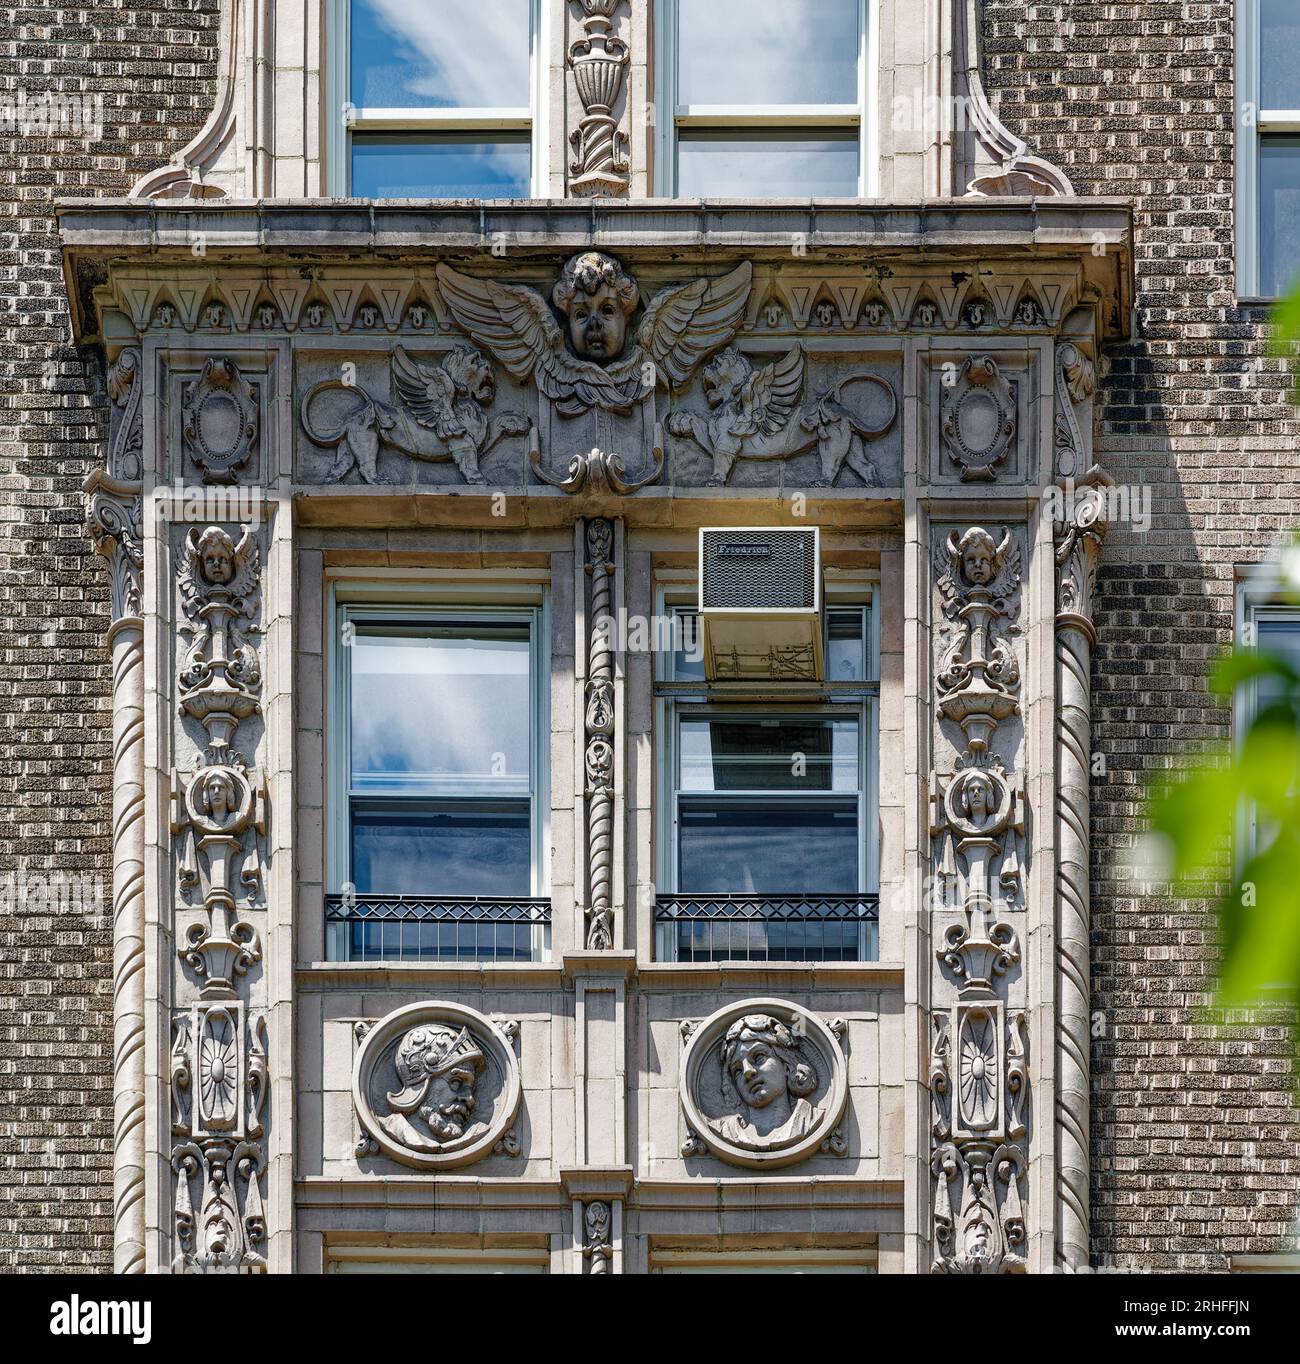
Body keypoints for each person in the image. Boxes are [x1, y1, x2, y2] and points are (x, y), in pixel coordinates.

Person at [710, 1014, 820, 1151]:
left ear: (787, 1065)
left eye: (758, 1057)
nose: (747, 1072)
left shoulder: (810, 1120)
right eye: (737, 1070)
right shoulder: (727, 1131)